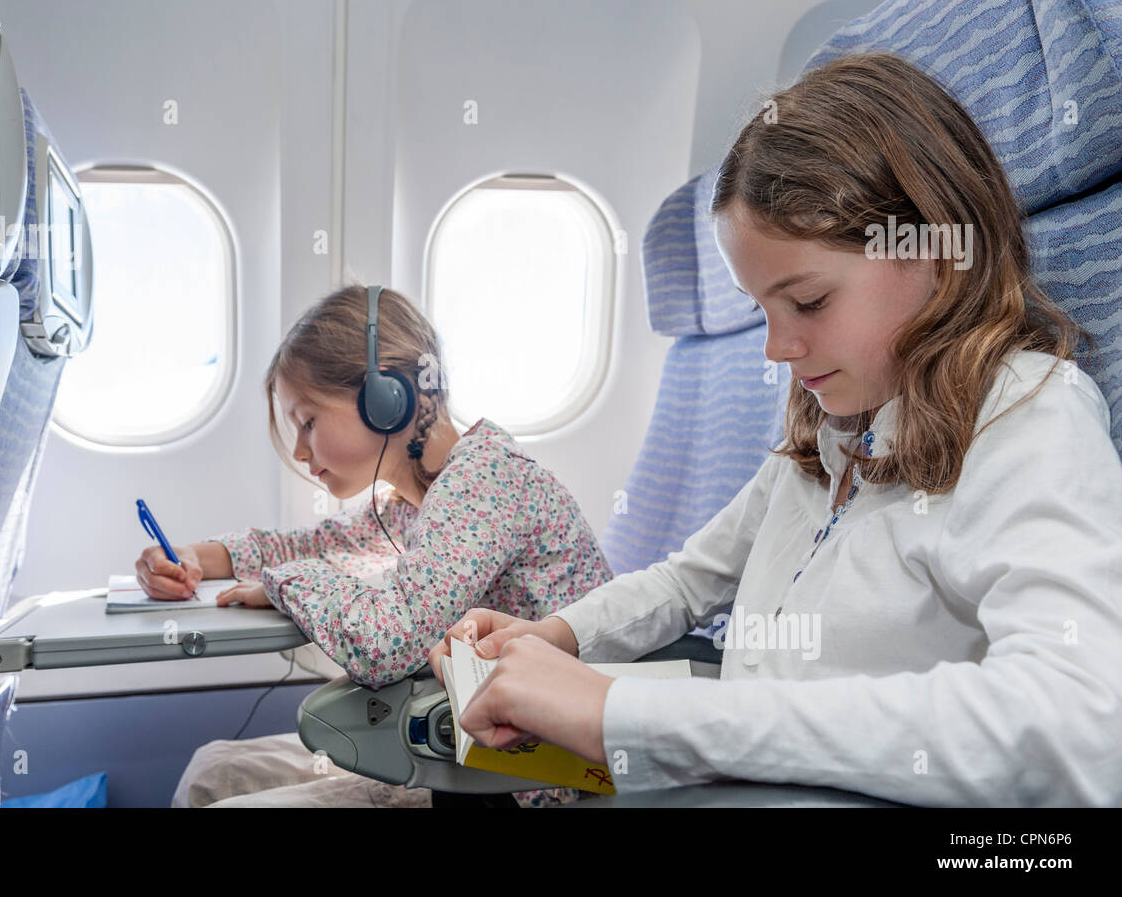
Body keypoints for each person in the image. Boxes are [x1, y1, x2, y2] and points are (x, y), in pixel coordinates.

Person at [428, 51, 1122, 807]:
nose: (775, 347)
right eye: (760, 308)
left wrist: (632, 716)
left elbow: (1078, 724)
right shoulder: (825, 442)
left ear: (937, 255)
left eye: (810, 303)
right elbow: (689, 580)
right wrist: (556, 636)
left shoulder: (1027, 414)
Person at [134, 284, 612, 807]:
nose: (298, 450)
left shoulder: (482, 483)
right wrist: (195, 557)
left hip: (527, 782)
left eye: (308, 422)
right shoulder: (412, 500)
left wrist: (284, 583)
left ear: (386, 398)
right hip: (465, 753)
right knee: (214, 770)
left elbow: (386, 644)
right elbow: (314, 543)